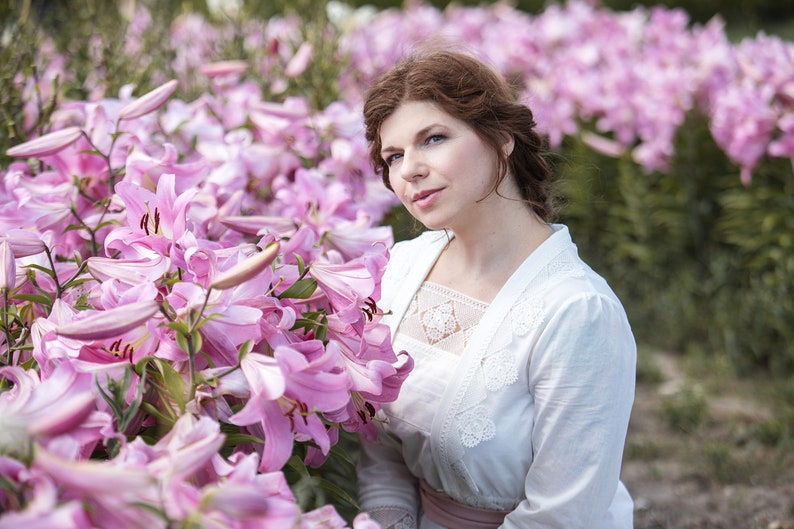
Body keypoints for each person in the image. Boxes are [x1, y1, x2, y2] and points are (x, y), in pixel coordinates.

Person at [356, 48, 637, 529]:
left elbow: (562, 516)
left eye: (434, 139)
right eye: (394, 155)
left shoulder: (577, 312)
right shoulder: (399, 270)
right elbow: (378, 453)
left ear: (502, 138)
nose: (409, 171)